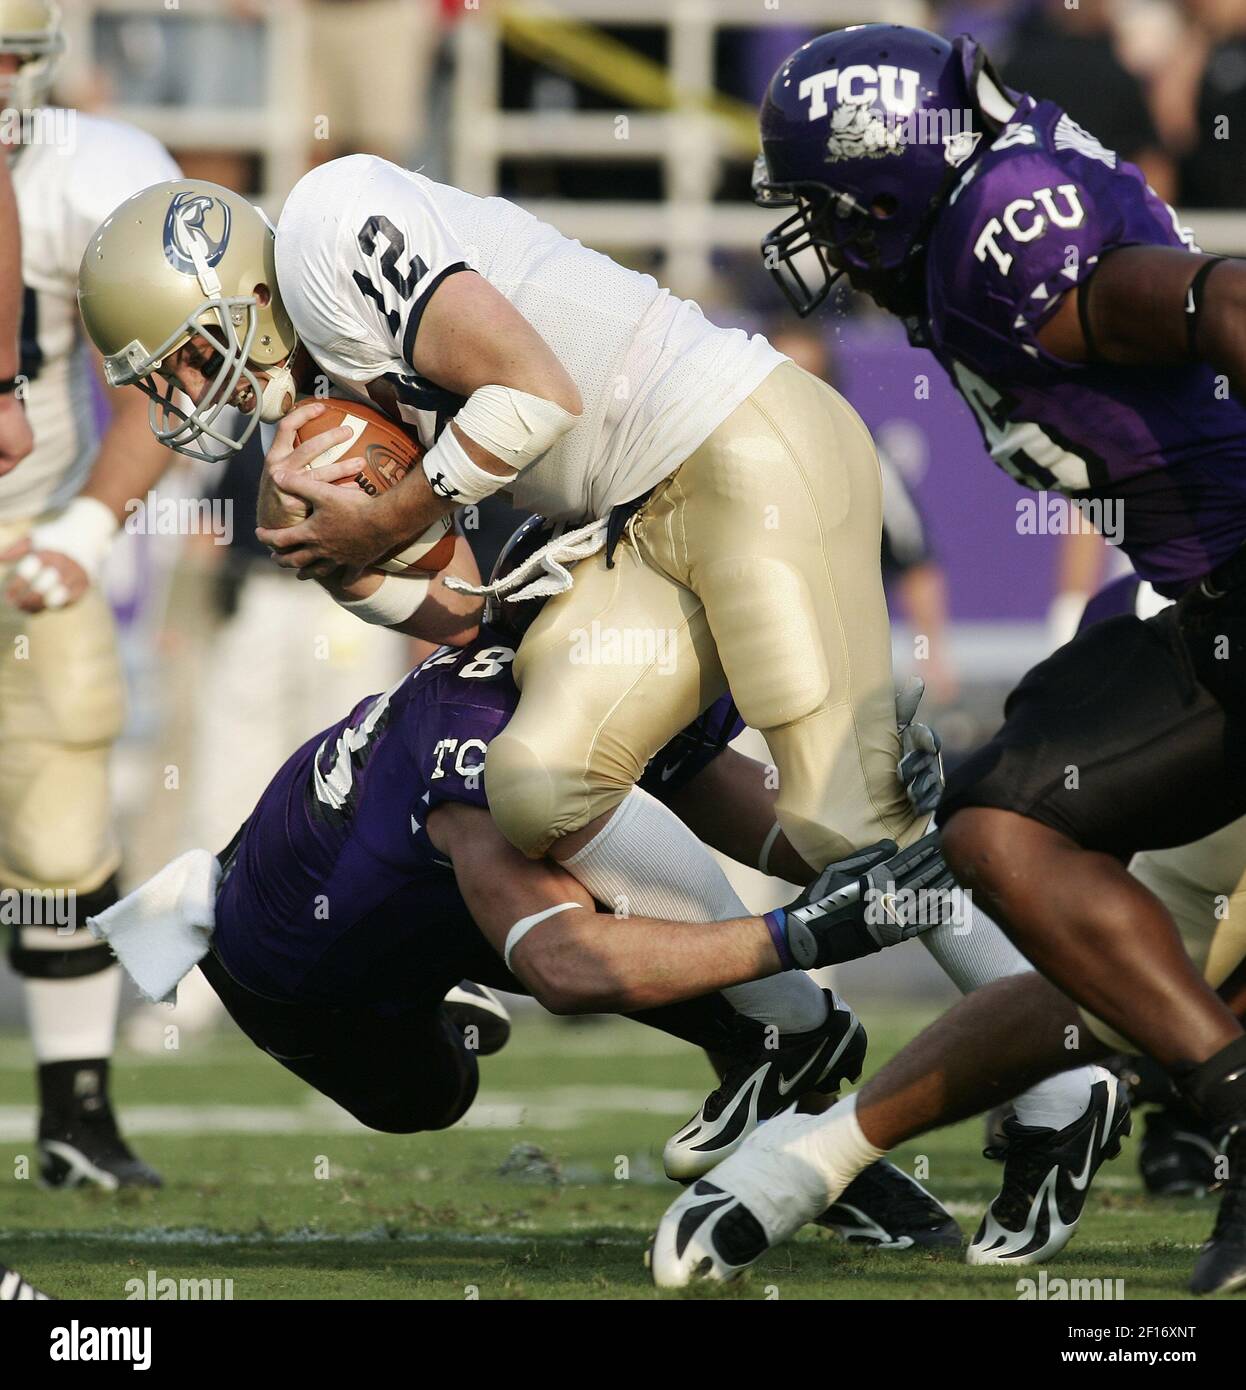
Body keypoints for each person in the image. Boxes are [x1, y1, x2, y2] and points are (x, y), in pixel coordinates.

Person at [655, 22, 1246, 1295]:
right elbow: (1095, 983)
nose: (819, 239)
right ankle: (820, 1152)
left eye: (827, 207)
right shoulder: (983, 198)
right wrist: (805, 1166)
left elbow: (1226, 299)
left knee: (1004, 830)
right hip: (1204, 606)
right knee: (1093, 901)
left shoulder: (1000, 244)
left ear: (887, 189)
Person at [0, 0, 179, 1189]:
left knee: (62, 825)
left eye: (8, 60)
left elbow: (178, 365)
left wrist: (86, 518)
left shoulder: (91, 175)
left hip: (25, 541)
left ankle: (74, 1114)